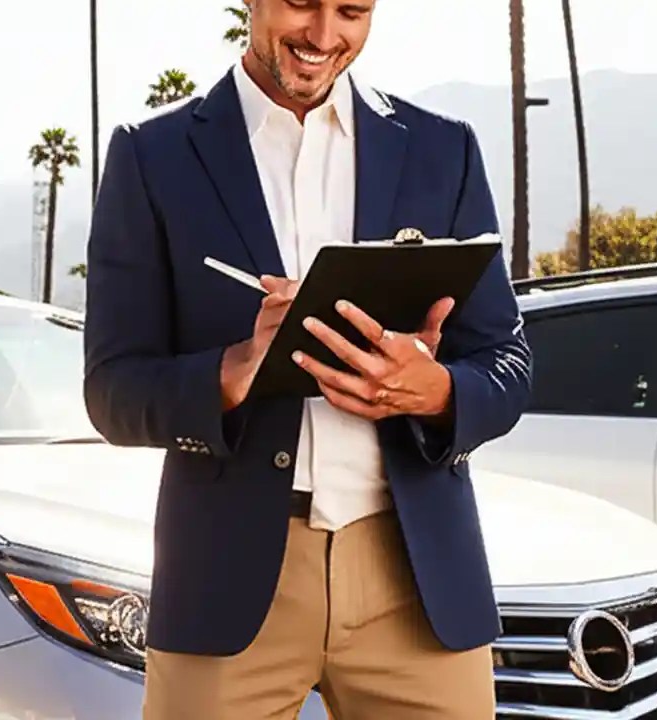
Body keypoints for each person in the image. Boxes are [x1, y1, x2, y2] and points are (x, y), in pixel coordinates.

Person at [81, 0, 532, 717]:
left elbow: (506, 363)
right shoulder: (152, 156)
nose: (323, 36)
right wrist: (235, 371)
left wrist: (436, 390)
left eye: (351, 10)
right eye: (301, 3)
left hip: (415, 581)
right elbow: (111, 390)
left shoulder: (444, 151)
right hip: (226, 579)